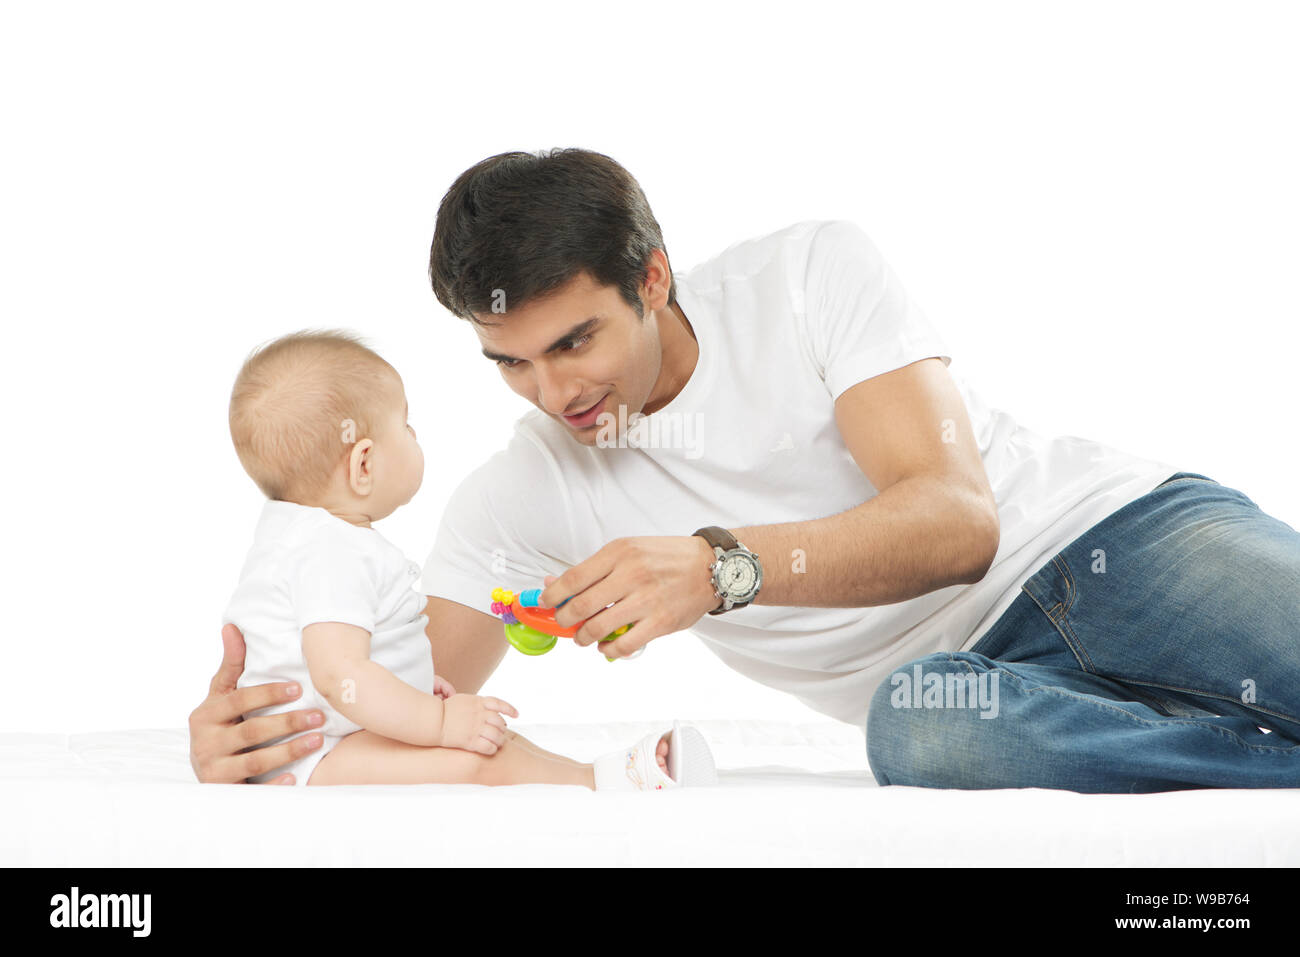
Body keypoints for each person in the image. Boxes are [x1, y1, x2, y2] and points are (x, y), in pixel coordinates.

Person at [192, 147, 1300, 792]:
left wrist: (721, 570)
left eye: (575, 342)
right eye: (509, 363)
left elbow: (959, 522)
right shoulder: (520, 497)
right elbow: (393, 688)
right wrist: (258, 734)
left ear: (654, 277)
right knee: (917, 729)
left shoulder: (809, 275)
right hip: (979, 694)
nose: (550, 392)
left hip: (1111, 545)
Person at [213, 328, 716, 790]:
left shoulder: (297, 538)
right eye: (405, 426)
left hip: (324, 742)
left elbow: (344, 663)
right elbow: (337, 675)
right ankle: (610, 784)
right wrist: (437, 722)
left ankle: (601, 775)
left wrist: (408, 686)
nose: (414, 437)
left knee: (490, 739)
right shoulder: (331, 550)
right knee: (474, 757)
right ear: (363, 463)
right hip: (315, 755)